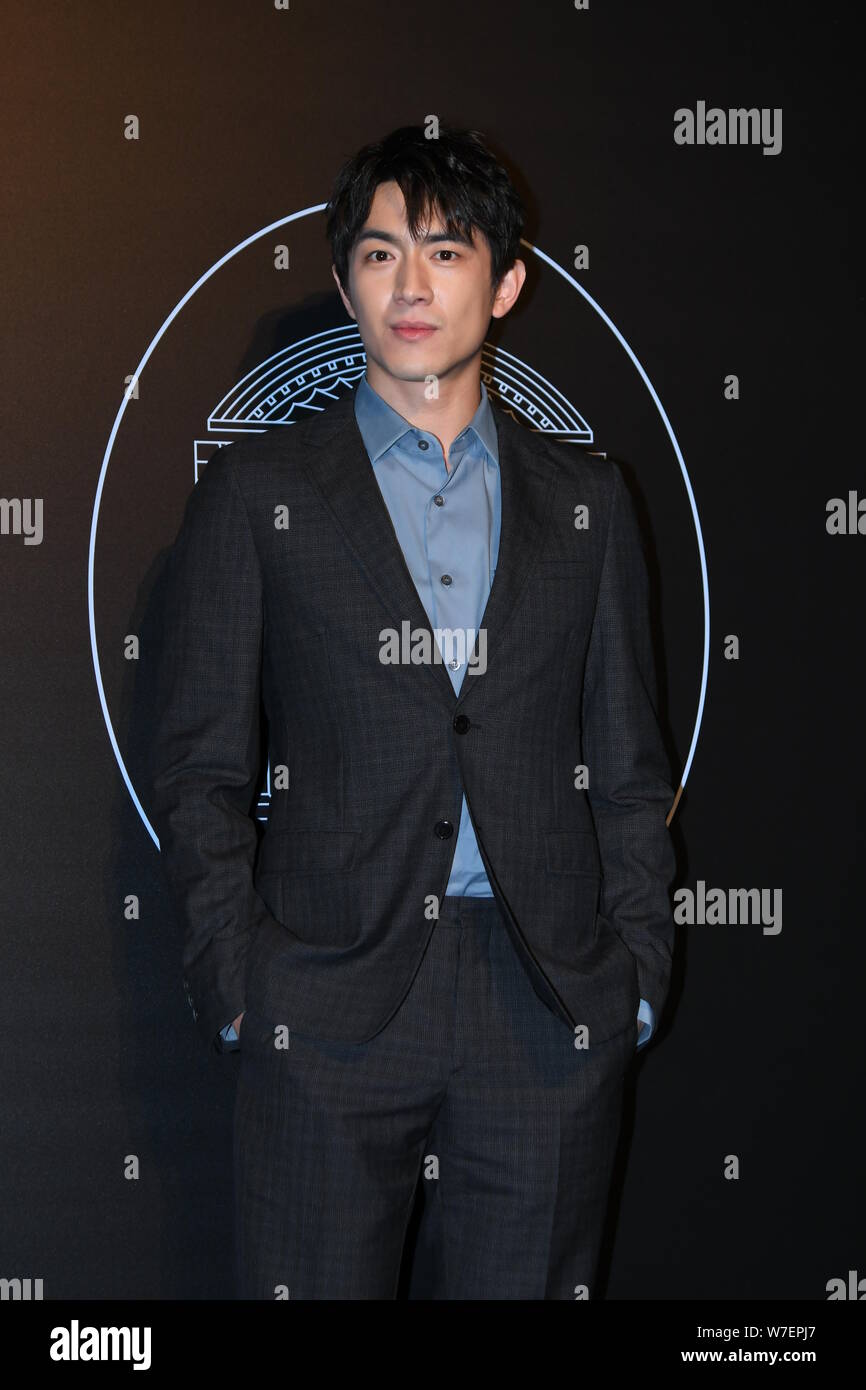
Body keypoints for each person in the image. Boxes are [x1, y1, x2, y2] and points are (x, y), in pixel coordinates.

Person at [148, 123, 677, 1299]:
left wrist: (631, 975)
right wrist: (241, 983)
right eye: (380, 254)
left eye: (444, 250)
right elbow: (199, 768)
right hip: (325, 1003)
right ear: (344, 285)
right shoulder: (258, 494)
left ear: (507, 280)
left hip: (542, 1002)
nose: (412, 284)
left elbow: (629, 769)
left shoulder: (589, 506)